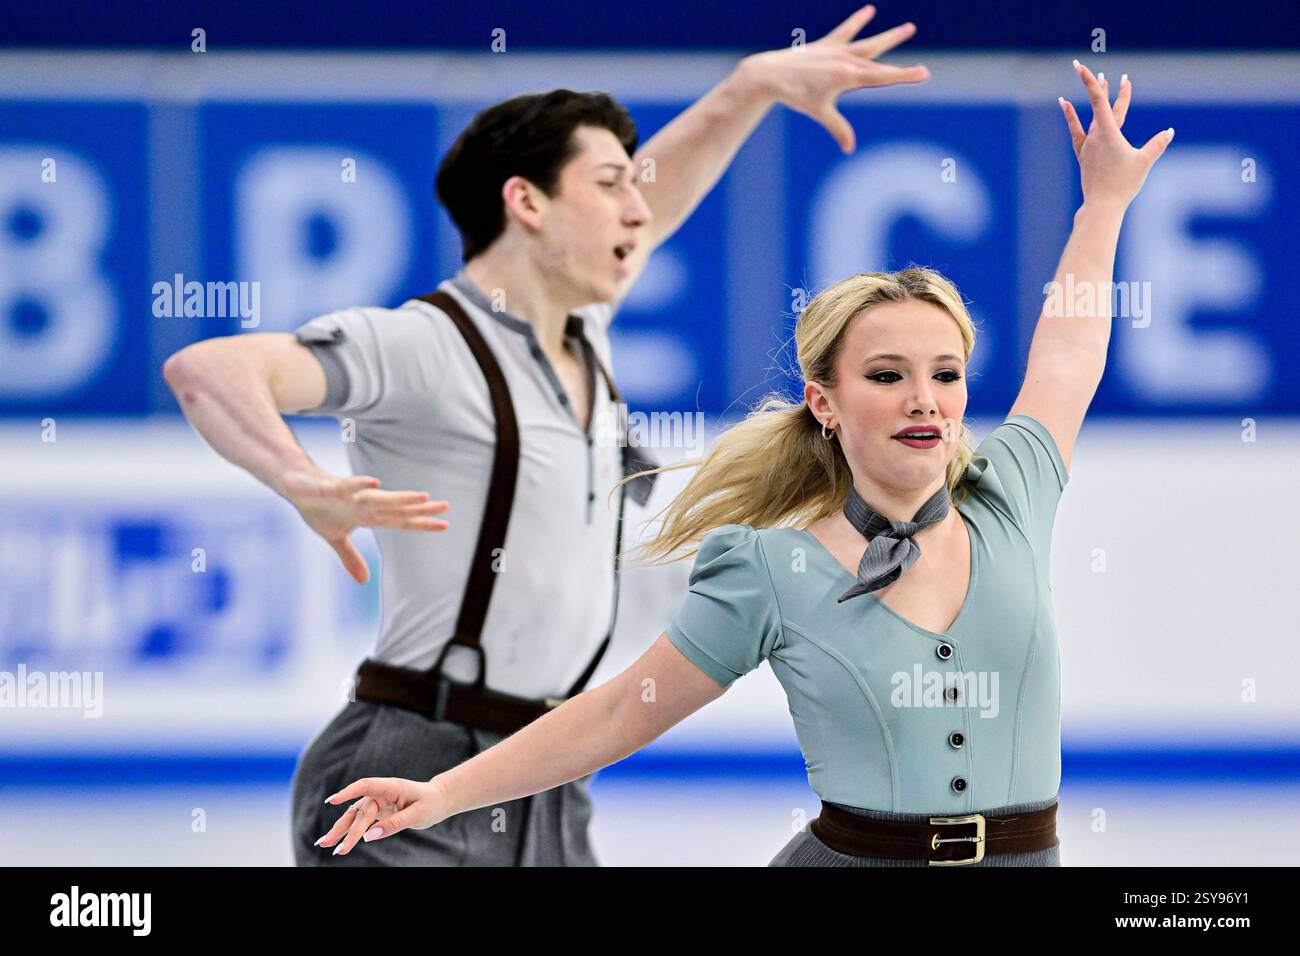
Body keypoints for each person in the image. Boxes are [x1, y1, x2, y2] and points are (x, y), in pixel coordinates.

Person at [313, 61, 1174, 866]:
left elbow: (1065, 355)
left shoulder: (1011, 496)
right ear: (824, 404)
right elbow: (618, 712)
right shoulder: (768, 567)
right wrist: (441, 794)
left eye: (945, 374)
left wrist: (1103, 205)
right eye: (887, 376)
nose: (926, 399)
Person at [161, 5, 930, 865]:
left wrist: (747, 89)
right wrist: (300, 480)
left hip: (545, 778)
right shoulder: (422, 344)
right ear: (525, 201)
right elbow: (210, 369)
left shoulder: (582, 332)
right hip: (408, 759)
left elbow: (660, 199)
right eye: (608, 185)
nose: (637, 212)